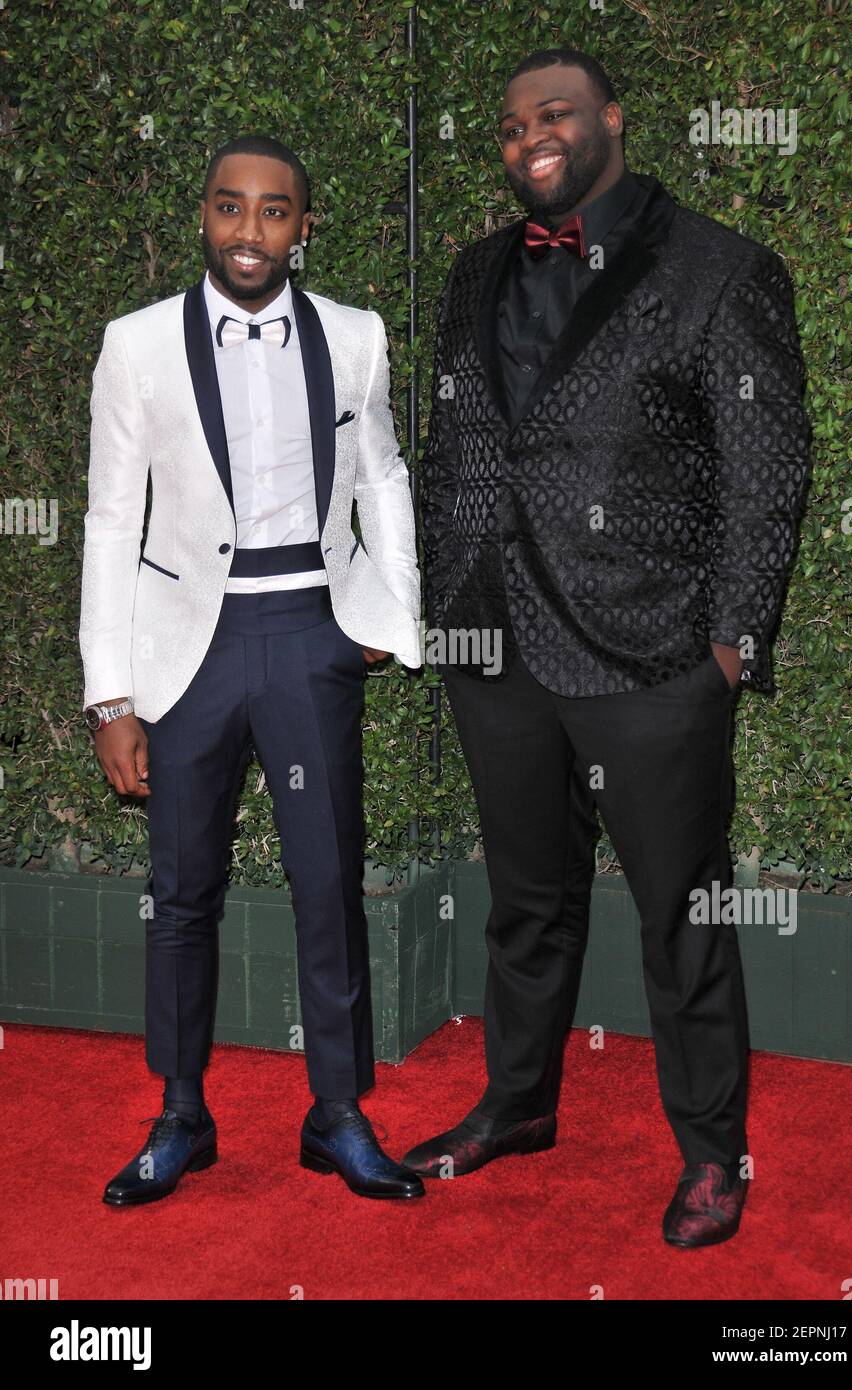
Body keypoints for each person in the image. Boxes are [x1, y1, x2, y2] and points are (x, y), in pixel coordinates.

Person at [407, 49, 811, 1246]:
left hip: (652, 661)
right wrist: (443, 600)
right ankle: (519, 1105)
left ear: (612, 122)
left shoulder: (718, 268)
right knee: (527, 905)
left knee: (683, 913)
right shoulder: (478, 268)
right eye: (514, 122)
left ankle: (710, 1153)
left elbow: (768, 472)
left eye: (557, 112)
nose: (533, 134)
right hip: (497, 649)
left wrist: (729, 646)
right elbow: (459, 448)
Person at [80, 134, 425, 1205]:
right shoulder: (137, 346)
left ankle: (338, 1114)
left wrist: (392, 614)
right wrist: (109, 693)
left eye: (274, 211)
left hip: (309, 641)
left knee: (329, 885)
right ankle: (183, 1113)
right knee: (182, 891)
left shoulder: (355, 337)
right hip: (186, 651)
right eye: (230, 207)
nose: (249, 230)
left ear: (302, 227)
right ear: (205, 216)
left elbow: (385, 475)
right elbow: (105, 521)